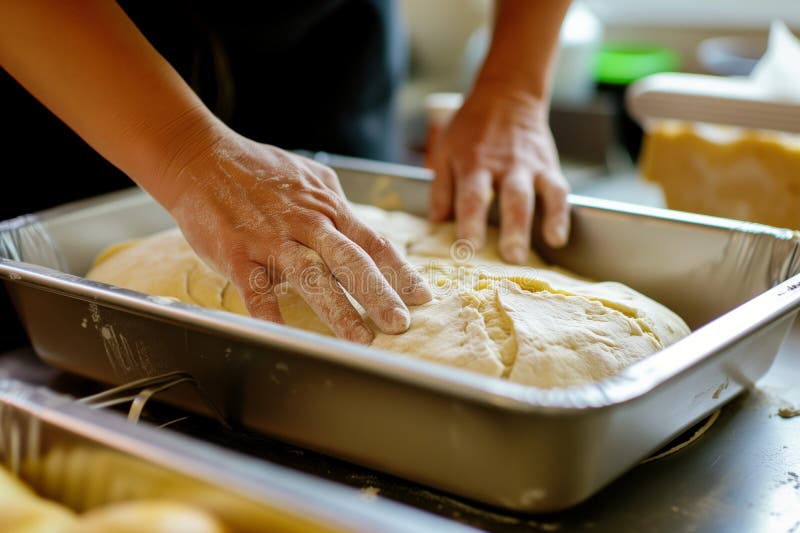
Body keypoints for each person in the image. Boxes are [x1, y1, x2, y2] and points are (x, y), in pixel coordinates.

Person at [0, 0, 571, 350]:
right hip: (81, 66)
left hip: (324, 47)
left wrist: (513, 86)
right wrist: (183, 153)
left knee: (346, 258)